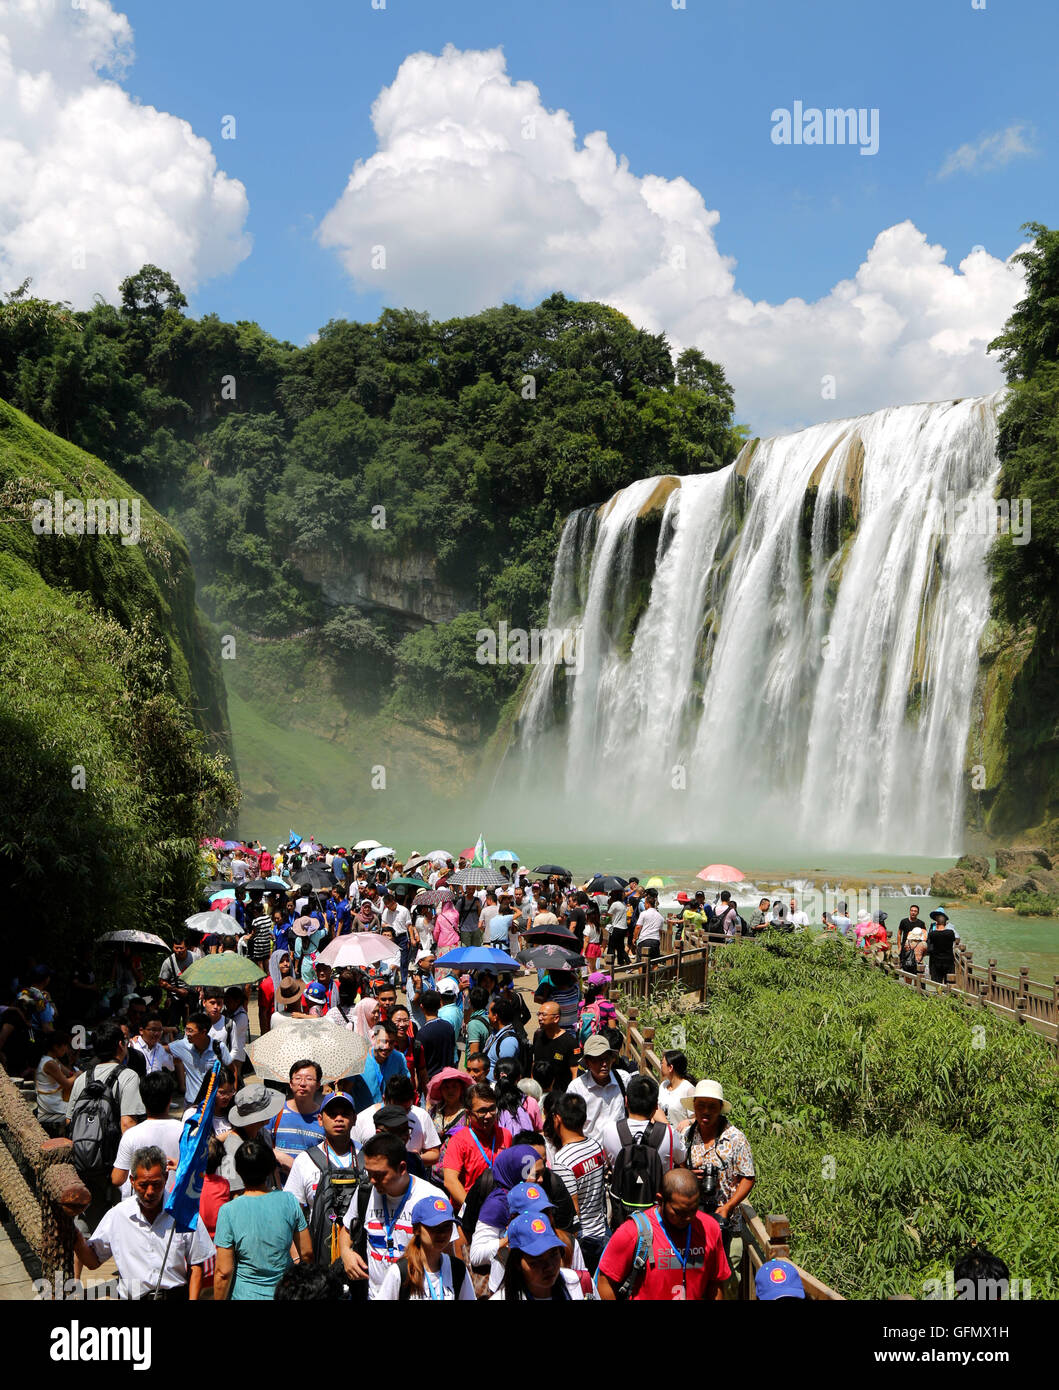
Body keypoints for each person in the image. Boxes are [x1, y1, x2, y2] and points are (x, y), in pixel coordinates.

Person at [74, 1145, 215, 1300]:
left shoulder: (183, 1212)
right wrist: (73, 1232)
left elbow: (196, 1265)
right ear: (132, 1181)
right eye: (143, 1185)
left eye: (156, 1184)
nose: (150, 1192)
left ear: (166, 1178)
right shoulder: (118, 1216)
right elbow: (92, 1261)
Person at [596, 1168, 730, 1301]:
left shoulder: (710, 1229)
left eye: (693, 1210)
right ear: (660, 1200)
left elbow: (715, 1283)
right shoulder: (631, 1232)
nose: (688, 1218)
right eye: (679, 1212)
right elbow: (604, 1282)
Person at [338, 1132, 441, 1297]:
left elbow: (448, 1252)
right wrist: (346, 1253)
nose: (372, 1180)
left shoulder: (430, 1198)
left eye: (379, 1175)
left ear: (401, 1168)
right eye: (369, 1173)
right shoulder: (365, 1192)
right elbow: (347, 1229)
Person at [214, 1139, 312, 1300]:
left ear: (238, 1170)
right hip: (284, 1293)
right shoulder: (289, 1201)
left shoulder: (228, 1211)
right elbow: (307, 1253)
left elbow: (223, 1272)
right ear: (271, 1169)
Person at [682, 1079, 755, 1250]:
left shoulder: (736, 1138)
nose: (706, 1111)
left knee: (728, 1274)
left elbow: (748, 1177)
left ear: (720, 1108)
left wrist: (729, 1206)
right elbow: (678, 1169)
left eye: (712, 1106)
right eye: (701, 1105)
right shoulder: (688, 1136)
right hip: (694, 1220)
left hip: (726, 1221)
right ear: (694, 1106)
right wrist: (689, 1176)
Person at [600, 1073, 681, 1210]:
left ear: (626, 1101)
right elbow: (681, 1158)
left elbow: (607, 1162)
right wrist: (666, 1124)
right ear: (656, 1106)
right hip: (657, 1211)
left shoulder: (609, 1130)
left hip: (623, 1209)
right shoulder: (669, 1133)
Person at [374, 1192, 475, 1300]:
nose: (442, 1233)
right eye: (434, 1227)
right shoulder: (400, 1271)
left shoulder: (457, 1269)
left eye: (447, 1226)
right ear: (417, 1229)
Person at [553, 1090, 609, 1272]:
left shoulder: (563, 1161)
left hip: (585, 1242)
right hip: (602, 1233)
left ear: (557, 1119)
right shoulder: (596, 1146)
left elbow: (572, 1210)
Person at [284, 1091, 361, 1212]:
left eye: (345, 1114)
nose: (339, 1119)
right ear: (320, 1119)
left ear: (354, 1119)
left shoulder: (368, 1156)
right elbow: (292, 1210)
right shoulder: (305, 1160)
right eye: (332, 1114)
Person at [489, 1211, 591, 1300]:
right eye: (536, 1260)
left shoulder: (580, 1284)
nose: (549, 1266)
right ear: (517, 1264)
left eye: (553, 1254)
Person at [441, 1083, 512, 1208]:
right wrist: (471, 1210)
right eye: (482, 1111)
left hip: (500, 1209)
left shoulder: (505, 1135)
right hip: (469, 1213)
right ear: (468, 1113)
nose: (489, 1115)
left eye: (492, 1109)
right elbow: (450, 1181)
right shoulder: (458, 1141)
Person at [111, 1071, 183, 1194]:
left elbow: (117, 1179)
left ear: (142, 1099)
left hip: (139, 1204)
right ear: (170, 1100)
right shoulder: (185, 1131)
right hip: (175, 1203)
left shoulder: (131, 1135)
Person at [354, 1074, 442, 1165]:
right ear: (384, 1099)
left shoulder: (422, 1116)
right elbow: (354, 1158)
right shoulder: (361, 1120)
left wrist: (415, 1158)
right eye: (395, 1109)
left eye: (407, 1109)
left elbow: (434, 1154)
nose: (401, 1115)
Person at [271, 1059, 326, 1174]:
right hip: (279, 1188)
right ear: (290, 1084)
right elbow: (261, 1147)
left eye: (309, 1079)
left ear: (318, 1085)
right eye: (297, 1078)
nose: (302, 1083)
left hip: (312, 1187)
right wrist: (278, 1156)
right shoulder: (276, 1112)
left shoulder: (324, 1117)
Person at [567, 1034, 626, 1140]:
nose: (604, 1064)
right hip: (590, 1150)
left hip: (619, 1148)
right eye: (598, 1059)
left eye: (607, 1059)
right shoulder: (576, 1088)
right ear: (587, 1063)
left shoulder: (623, 1079)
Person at [170, 1012, 232, 1107]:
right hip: (191, 1103)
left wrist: (231, 1093)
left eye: (190, 1031)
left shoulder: (219, 1048)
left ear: (203, 1032)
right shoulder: (183, 1045)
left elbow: (232, 1070)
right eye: (186, 1030)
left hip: (212, 1104)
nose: (187, 1034)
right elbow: (162, 1048)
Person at [350, 1022, 411, 1110]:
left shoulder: (399, 1058)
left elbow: (406, 1086)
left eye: (391, 1042)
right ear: (373, 1038)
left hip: (390, 1116)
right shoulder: (358, 1059)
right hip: (363, 1117)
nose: (387, 1047)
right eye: (383, 1041)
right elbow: (347, 1090)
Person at [34, 1028, 78, 1136]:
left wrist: (75, 1074)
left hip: (55, 1098)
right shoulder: (49, 1063)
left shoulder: (54, 1060)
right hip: (50, 1102)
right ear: (56, 1046)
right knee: (78, 1110)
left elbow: (69, 1073)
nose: (66, 1049)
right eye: (65, 1045)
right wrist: (78, 1075)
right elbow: (67, 1083)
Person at [532, 999, 579, 1089]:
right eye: (539, 1014)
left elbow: (575, 1071)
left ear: (556, 1018)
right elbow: (535, 1063)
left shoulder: (570, 1042)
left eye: (544, 1015)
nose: (540, 1018)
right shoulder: (538, 1035)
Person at [157, 937, 201, 1027]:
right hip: (175, 998)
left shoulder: (195, 958)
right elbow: (161, 982)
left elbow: (202, 973)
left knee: (193, 1024)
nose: (179, 951)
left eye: (181, 948)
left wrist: (201, 987)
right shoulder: (168, 962)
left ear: (187, 947)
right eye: (176, 948)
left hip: (192, 996)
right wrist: (177, 990)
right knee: (174, 1024)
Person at [416, 991, 457, 1080]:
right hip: (448, 1078)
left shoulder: (422, 1033)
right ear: (440, 1005)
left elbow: (420, 1063)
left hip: (431, 1080)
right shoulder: (448, 1027)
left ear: (421, 1007)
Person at [483, 997, 523, 1081]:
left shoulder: (508, 1042)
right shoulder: (496, 1033)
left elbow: (506, 1073)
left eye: (489, 1013)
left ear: (495, 1016)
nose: (487, 1016)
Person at [658, 1050, 695, 1129]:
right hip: (661, 1136)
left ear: (670, 1067)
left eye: (662, 1063)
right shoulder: (663, 1086)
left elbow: (698, 1117)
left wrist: (689, 1121)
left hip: (679, 1138)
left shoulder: (689, 1090)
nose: (661, 1066)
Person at [925, 909, 959, 984]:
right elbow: (955, 940)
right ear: (945, 923)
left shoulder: (932, 934)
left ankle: (938, 994)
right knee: (949, 982)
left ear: (937, 923)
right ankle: (948, 995)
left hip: (935, 961)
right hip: (949, 961)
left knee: (937, 982)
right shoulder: (950, 933)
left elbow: (929, 942)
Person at [632, 891, 665, 962]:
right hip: (655, 941)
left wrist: (634, 938)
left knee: (640, 962)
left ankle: (642, 973)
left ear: (648, 904)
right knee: (654, 962)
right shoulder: (660, 916)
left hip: (644, 939)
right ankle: (654, 973)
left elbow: (638, 927)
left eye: (645, 903)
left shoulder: (644, 913)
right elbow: (660, 931)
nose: (644, 905)